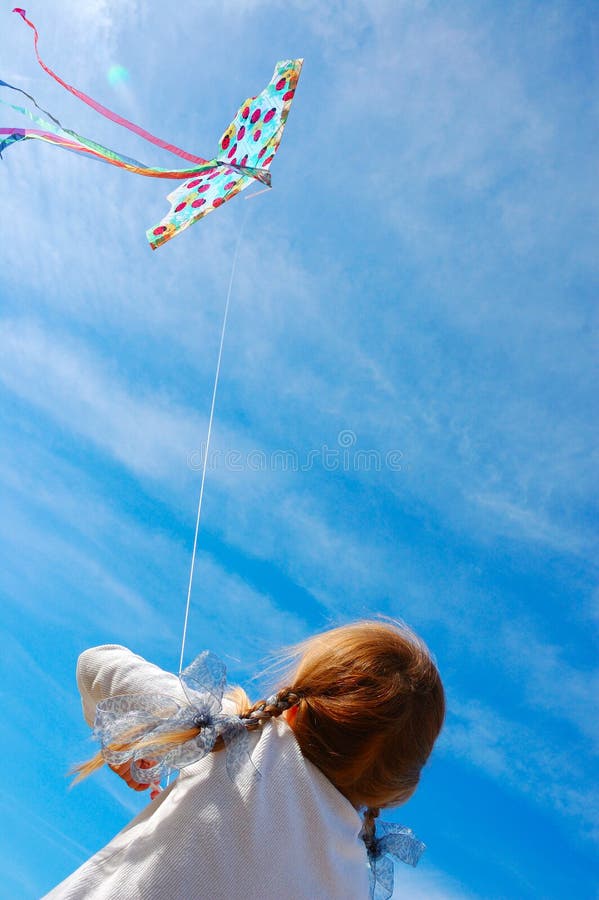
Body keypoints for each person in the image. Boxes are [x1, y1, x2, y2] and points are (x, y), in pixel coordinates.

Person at [44, 619, 445, 899]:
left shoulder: (238, 734)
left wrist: (130, 744)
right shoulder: (355, 885)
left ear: (294, 707)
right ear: (392, 792)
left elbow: (97, 665)